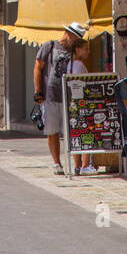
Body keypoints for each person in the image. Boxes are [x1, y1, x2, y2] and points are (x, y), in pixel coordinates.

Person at [34, 22, 84, 175]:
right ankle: (57, 164)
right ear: (68, 33)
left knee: (73, 131)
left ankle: (77, 166)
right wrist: (37, 91)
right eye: (76, 36)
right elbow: (38, 67)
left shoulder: (74, 51)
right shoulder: (50, 46)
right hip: (50, 95)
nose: (77, 40)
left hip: (70, 97)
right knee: (52, 131)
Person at [69, 39, 97, 175]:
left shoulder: (69, 64)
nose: (88, 52)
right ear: (78, 50)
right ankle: (86, 165)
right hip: (82, 103)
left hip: (72, 104)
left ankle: (77, 165)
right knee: (86, 131)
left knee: (75, 133)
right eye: (86, 49)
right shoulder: (79, 65)